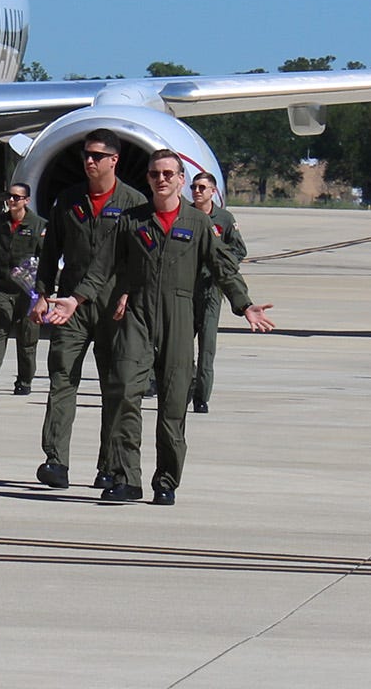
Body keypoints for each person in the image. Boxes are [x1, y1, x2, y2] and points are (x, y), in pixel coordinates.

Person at [87, 150, 273, 504]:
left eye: (169, 174)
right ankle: (127, 479)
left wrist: (244, 304)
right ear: (148, 178)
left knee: (173, 405)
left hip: (180, 314)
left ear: (181, 179)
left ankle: (166, 481)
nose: (162, 180)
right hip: (138, 315)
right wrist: (75, 298)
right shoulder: (131, 221)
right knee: (125, 391)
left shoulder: (197, 223)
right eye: (155, 174)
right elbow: (101, 267)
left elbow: (223, 268)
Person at [31, 133, 146, 490]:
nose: (90, 161)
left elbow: (140, 260)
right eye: (86, 155)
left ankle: (109, 465)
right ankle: (56, 460)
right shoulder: (68, 201)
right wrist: (41, 294)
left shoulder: (134, 204)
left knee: (115, 386)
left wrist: (130, 294)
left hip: (115, 306)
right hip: (70, 306)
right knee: (62, 379)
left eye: (98, 156)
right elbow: (50, 253)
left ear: (115, 160)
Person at [0, 180, 41, 396]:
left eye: (16, 197)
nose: (11, 201)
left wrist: (44, 291)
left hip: (28, 291)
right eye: (9, 196)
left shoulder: (38, 226)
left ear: (26, 201)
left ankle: (24, 380)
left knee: (27, 339)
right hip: (1, 287)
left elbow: (48, 260)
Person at [188, 170, 245, 413]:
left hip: (210, 289)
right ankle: (178, 388)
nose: (197, 191)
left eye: (202, 187)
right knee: (175, 345)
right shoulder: (185, 215)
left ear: (213, 191)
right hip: (185, 288)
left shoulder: (223, 219)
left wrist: (221, 265)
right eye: (194, 187)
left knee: (207, 346)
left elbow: (239, 250)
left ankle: (201, 396)